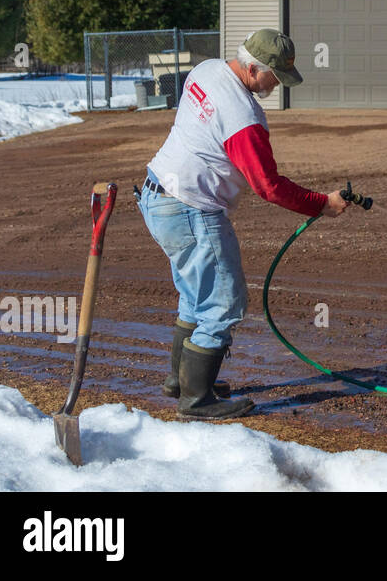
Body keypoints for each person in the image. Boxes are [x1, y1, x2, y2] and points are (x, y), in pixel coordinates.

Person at [137, 29, 347, 419]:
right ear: (253, 68)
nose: (278, 85)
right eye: (275, 77)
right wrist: (323, 204)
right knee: (223, 301)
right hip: (190, 209)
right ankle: (197, 400)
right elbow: (268, 186)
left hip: (157, 194)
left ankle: (182, 380)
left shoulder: (206, 70)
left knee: (195, 295)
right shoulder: (243, 117)